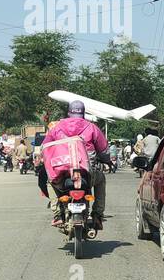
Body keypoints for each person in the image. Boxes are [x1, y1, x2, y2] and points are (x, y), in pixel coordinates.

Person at [36, 99, 110, 230]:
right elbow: (103, 150)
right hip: (86, 173)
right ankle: (98, 215)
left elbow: (45, 147)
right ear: (83, 113)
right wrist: (106, 159)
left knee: (50, 182)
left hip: (62, 173)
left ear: (68, 112)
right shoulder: (91, 127)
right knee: (101, 179)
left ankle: (58, 214)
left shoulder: (56, 128)